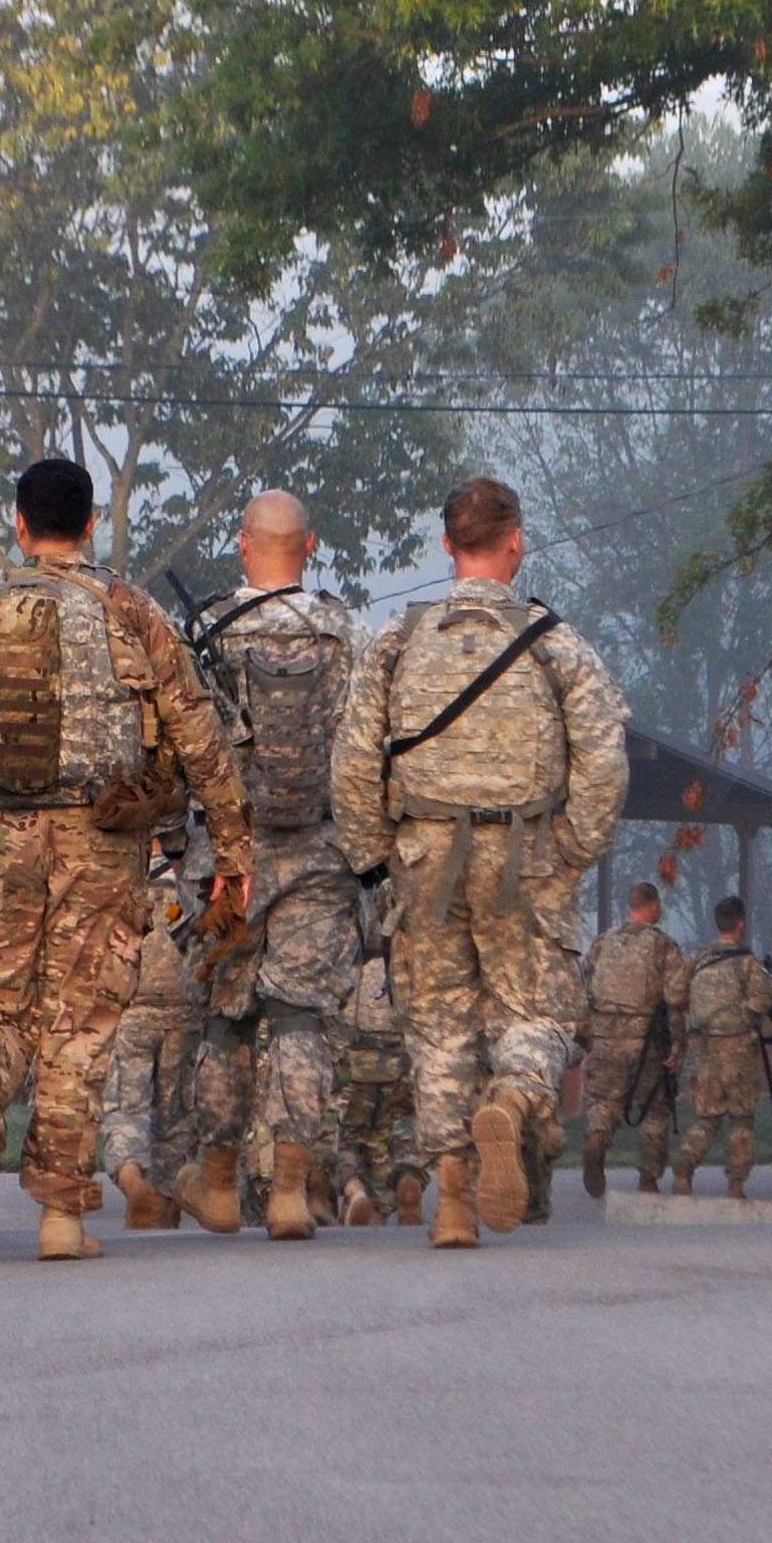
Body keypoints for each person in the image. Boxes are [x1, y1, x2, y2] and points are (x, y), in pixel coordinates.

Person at [0, 459, 253, 1262]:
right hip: (102, 841)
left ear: (18, 522)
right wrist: (234, 850)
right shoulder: (128, 611)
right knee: (83, 1018)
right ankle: (62, 1214)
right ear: (92, 521)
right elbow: (201, 739)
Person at [332, 477, 629, 1247]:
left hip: (423, 854)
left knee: (437, 1028)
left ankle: (454, 1200)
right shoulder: (555, 640)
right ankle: (514, 1099)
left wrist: (374, 859)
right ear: (515, 540)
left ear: (446, 545)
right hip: (525, 850)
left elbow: (354, 762)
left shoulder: (398, 638)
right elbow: (604, 756)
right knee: (538, 1008)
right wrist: (571, 848)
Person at [181, 491, 363, 1241]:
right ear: (310, 544)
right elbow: (360, 748)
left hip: (229, 857)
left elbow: (184, 745)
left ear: (242, 542)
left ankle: (220, 1184)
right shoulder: (345, 629)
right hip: (319, 850)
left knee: (227, 1015)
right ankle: (289, 1188)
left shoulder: (207, 628)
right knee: (300, 1019)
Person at [99, 894, 207, 1229]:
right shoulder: (193, 874)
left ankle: (132, 1177)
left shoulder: (129, 878)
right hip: (184, 1009)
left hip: (134, 1009)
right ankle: (165, 1200)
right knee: (176, 1116)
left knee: (126, 1108)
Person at [577, 882, 690, 1197]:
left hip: (604, 1036)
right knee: (655, 1107)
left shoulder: (602, 943)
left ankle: (596, 1139)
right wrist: (677, 1044)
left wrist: (587, 1037)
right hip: (645, 1042)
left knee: (604, 1102)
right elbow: (677, 998)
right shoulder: (663, 946)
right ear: (652, 905)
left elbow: (582, 985)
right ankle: (648, 1178)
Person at [673, 897, 771, 1197]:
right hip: (739, 1050)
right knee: (741, 1117)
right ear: (740, 924)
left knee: (707, 1116)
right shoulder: (748, 963)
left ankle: (684, 1169)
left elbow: (674, 993)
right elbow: (761, 1001)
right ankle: (736, 1183)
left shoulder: (696, 959)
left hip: (704, 1049)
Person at [328, 955, 427, 1225]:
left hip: (353, 1044)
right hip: (401, 1044)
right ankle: (408, 1178)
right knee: (402, 1126)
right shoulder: (407, 921)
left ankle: (355, 1189)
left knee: (348, 1136)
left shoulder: (354, 918)